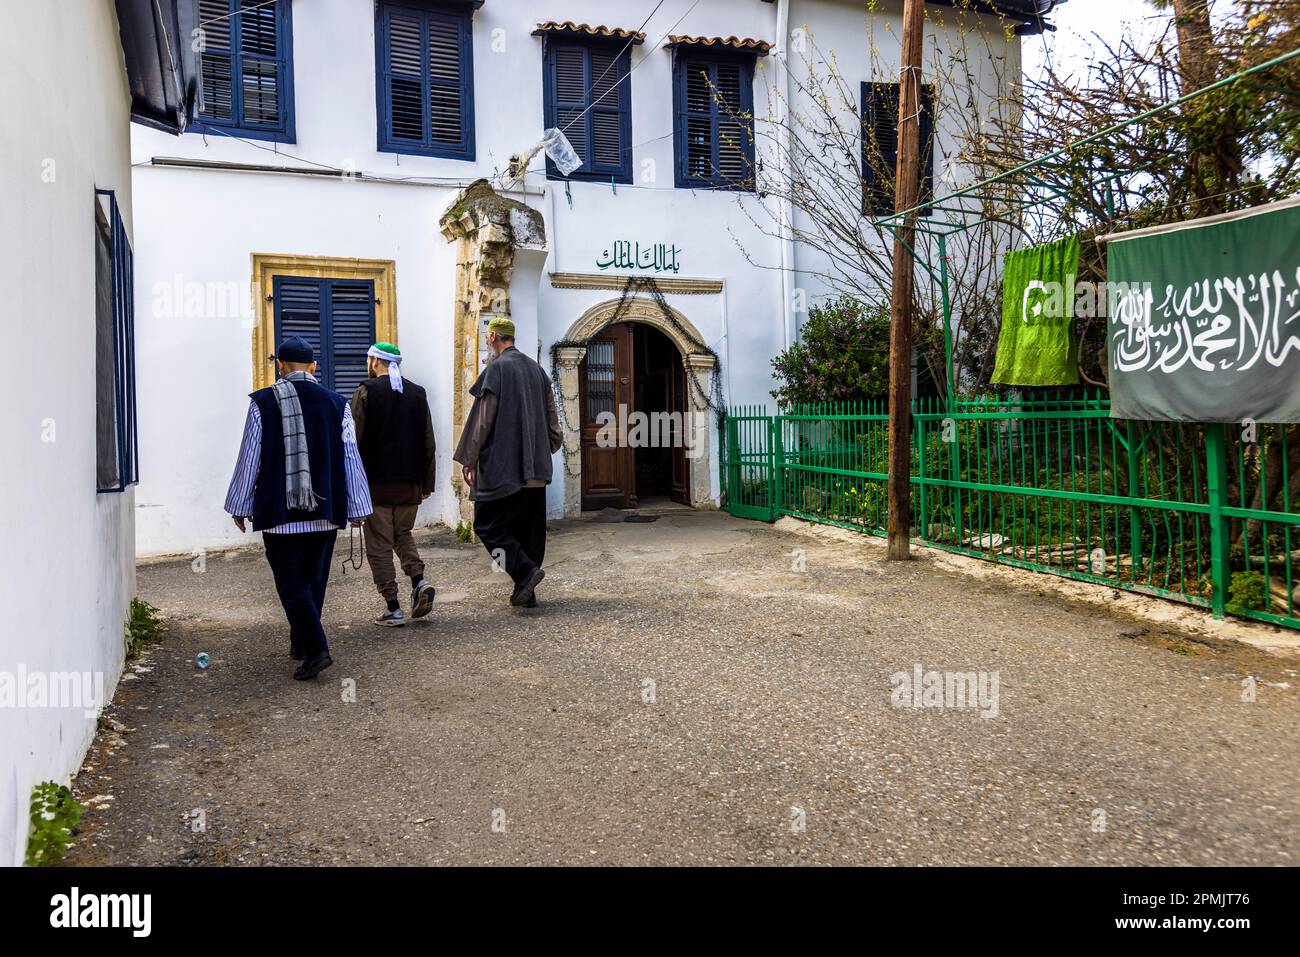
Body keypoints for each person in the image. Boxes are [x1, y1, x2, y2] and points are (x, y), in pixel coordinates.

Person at [224, 337, 373, 679]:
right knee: (313, 583)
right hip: (324, 510)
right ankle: (301, 641)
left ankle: (317, 648)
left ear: (280, 365)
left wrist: (240, 503)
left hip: (280, 512)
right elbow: (350, 456)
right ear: (313, 367)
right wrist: (359, 507)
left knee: (291, 584)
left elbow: (251, 456)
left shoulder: (262, 403)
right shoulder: (337, 404)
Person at [453, 318, 563, 607]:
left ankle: (525, 572)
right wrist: (545, 448)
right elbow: (554, 422)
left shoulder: (497, 369)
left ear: (491, 338)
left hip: (505, 470)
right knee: (530, 531)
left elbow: (482, 421)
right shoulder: (538, 371)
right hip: (536, 470)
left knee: (488, 526)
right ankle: (527, 592)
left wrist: (470, 458)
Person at [350, 342, 437, 626]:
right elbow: (428, 442)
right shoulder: (417, 393)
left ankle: (393, 606)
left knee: (379, 546)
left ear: (375, 361)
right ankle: (419, 580)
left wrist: (351, 489)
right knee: (403, 535)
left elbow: (352, 443)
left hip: (375, 486)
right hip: (410, 484)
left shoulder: (365, 392)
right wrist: (427, 483)